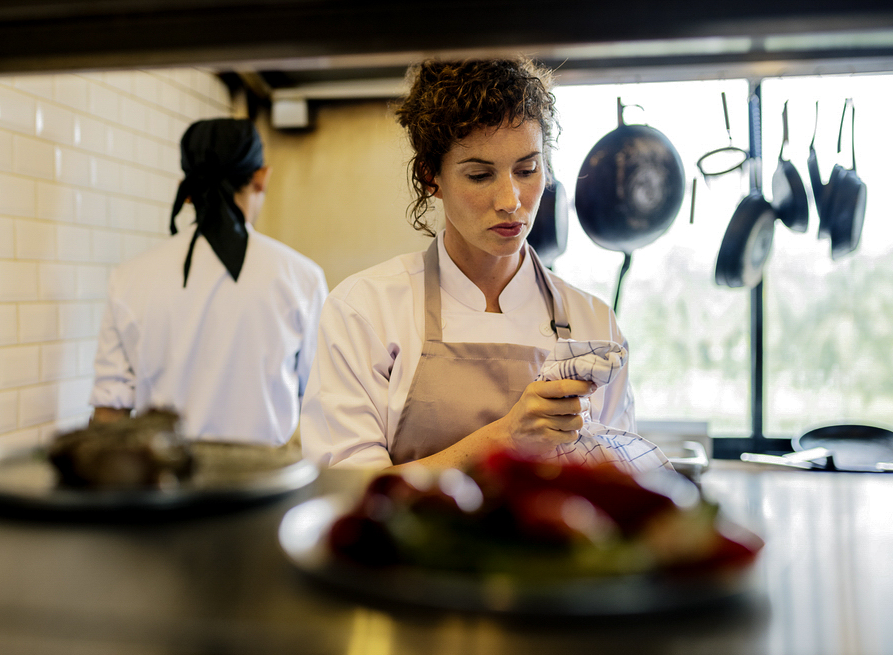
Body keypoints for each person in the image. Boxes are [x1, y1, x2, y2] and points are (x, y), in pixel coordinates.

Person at [299, 58, 661, 471]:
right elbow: (348, 496)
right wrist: (507, 437)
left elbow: (615, 485)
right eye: (479, 175)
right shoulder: (365, 310)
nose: (511, 201)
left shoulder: (594, 323)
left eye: (528, 169)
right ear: (430, 176)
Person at [89, 118, 329, 446]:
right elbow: (323, 404)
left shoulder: (128, 278)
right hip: (265, 488)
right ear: (261, 178)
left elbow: (109, 415)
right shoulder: (302, 278)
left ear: (187, 192)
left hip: (166, 486)